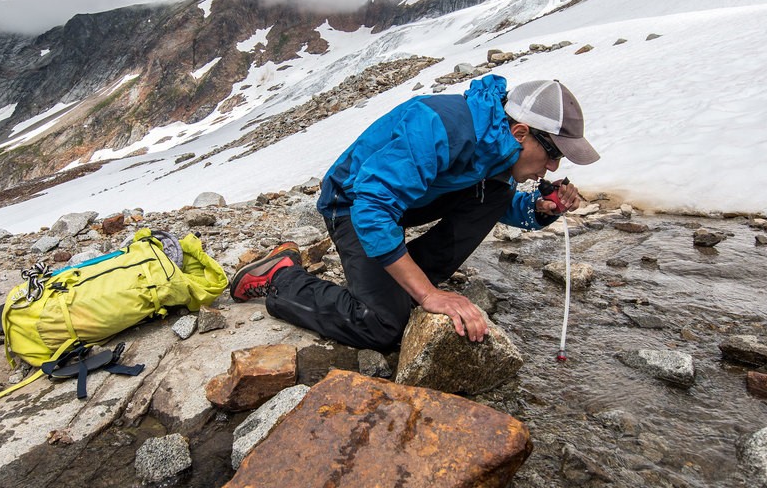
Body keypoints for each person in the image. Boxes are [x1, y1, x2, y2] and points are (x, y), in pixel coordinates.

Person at [228, 74, 600, 351]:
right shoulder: (438, 125)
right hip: (352, 204)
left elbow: (490, 205)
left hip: (405, 203)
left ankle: (401, 281)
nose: (553, 167)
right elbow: (371, 207)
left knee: (497, 194)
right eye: (553, 154)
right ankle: (283, 277)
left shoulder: (498, 145)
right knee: (381, 326)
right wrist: (427, 295)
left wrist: (539, 209)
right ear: (521, 132)